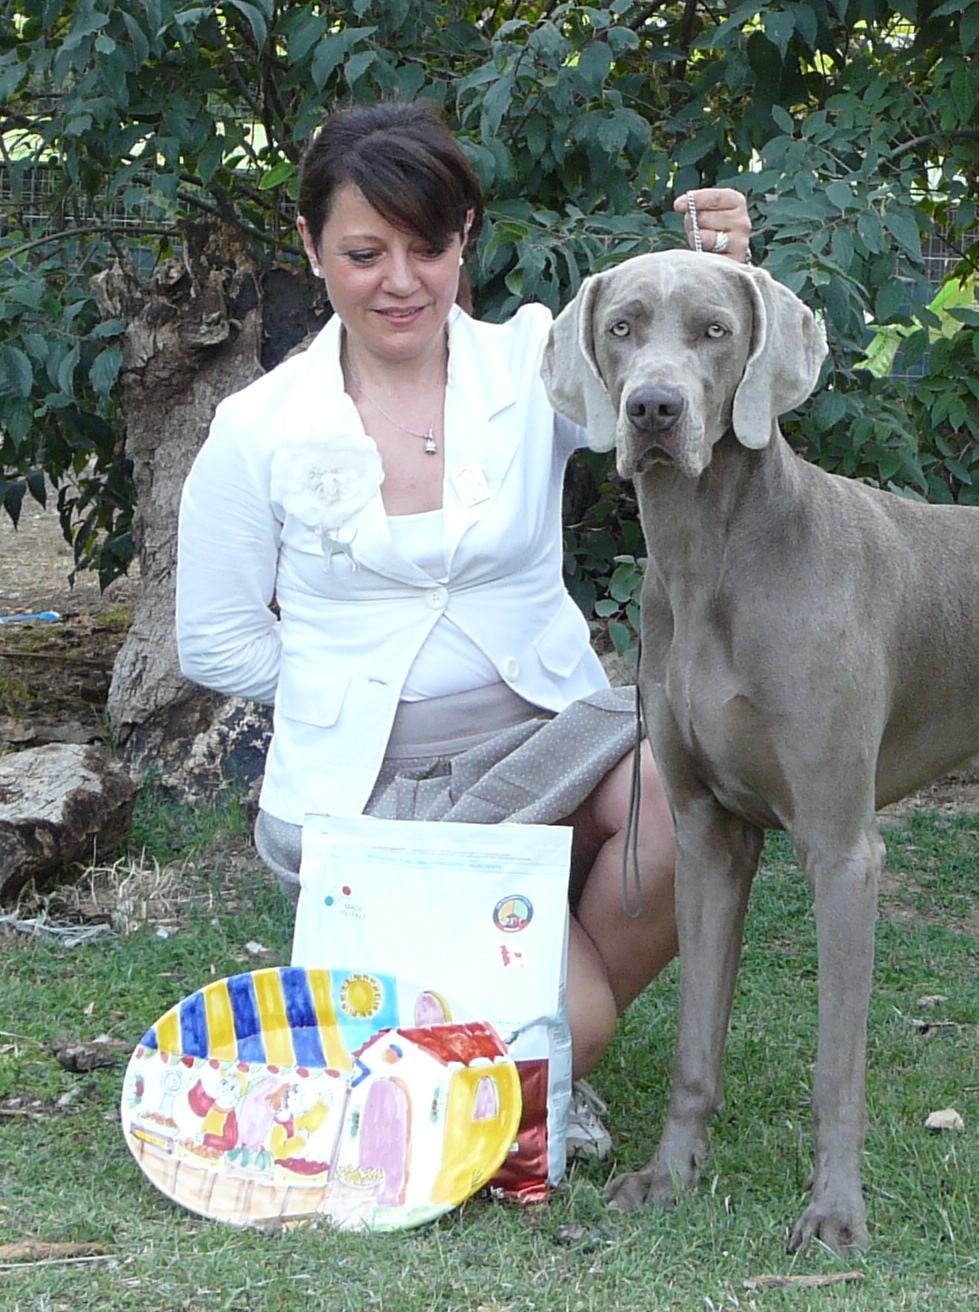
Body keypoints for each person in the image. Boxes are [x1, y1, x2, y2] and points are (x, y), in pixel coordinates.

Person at [175, 100, 753, 1163]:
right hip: (369, 791)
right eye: (365, 253)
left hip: (550, 738)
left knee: (688, 792)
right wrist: (347, 688)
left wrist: (723, 270)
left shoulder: (534, 361)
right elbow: (212, 640)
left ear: (465, 237)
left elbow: (681, 381)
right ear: (310, 246)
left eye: (429, 248)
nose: (401, 281)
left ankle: (534, 1050)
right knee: (560, 1023)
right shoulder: (258, 427)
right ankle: (530, 1047)